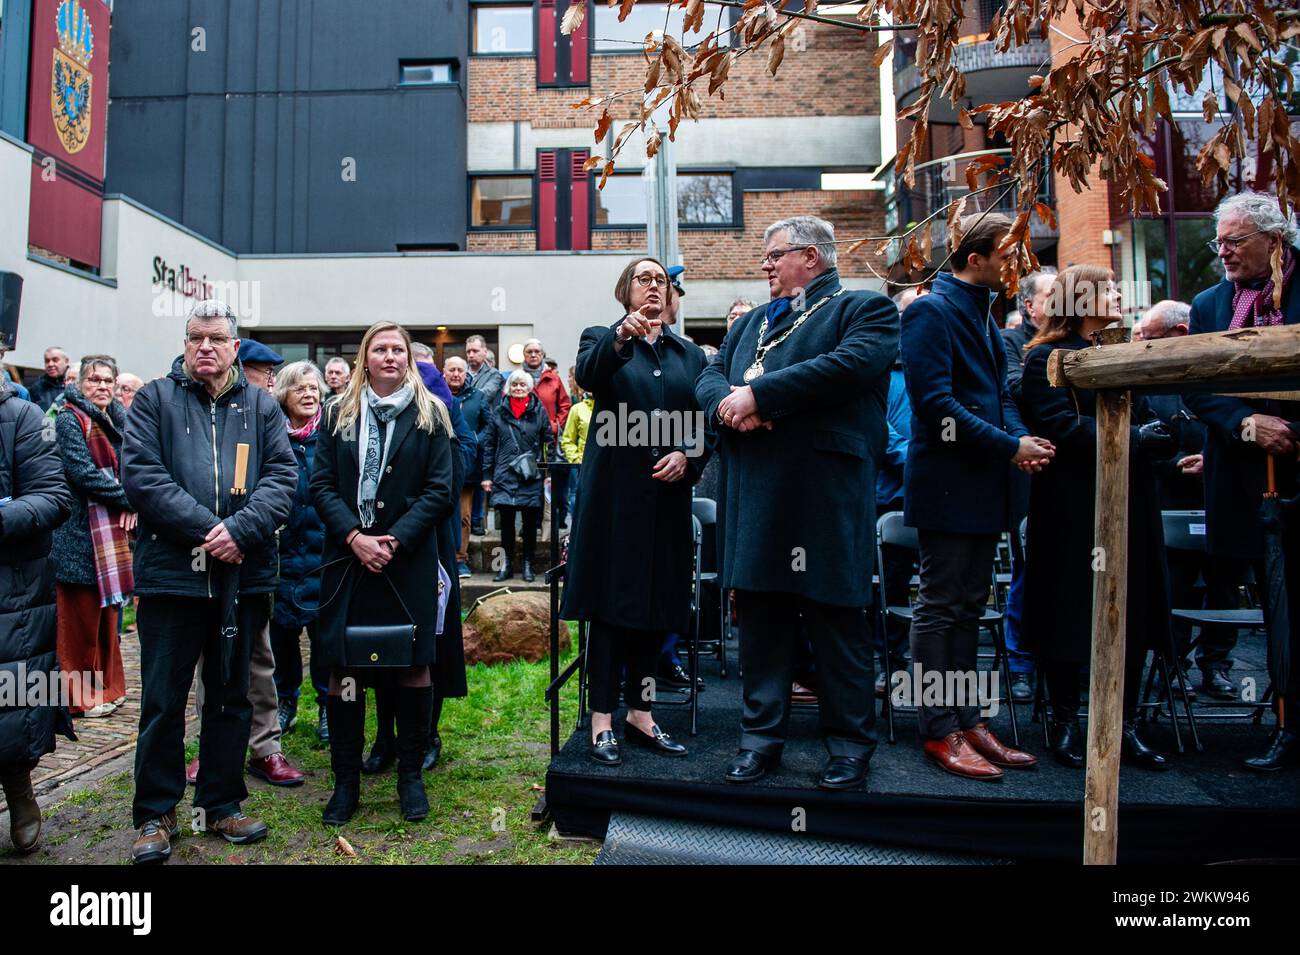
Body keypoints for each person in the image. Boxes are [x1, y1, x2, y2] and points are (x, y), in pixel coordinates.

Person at [696, 215, 898, 790]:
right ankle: (760, 740)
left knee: (838, 621)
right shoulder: (750, 324)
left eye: (774, 255)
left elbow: (848, 367)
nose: (765, 265)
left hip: (824, 493)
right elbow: (710, 375)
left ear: (811, 256)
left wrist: (760, 395)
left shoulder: (862, 309)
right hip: (756, 491)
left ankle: (850, 745)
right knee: (760, 621)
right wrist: (727, 405)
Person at [122, 299, 297, 863]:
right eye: (195, 337)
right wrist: (208, 530)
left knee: (230, 696)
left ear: (235, 347)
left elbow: (281, 477)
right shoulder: (154, 400)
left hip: (241, 579)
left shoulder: (261, 408)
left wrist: (239, 532)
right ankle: (155, 813)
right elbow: (143, 478)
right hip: (172, 577)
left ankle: (221, 804)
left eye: (216, 338)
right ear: (185, 342)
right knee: (163, 700)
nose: (205, 347)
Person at [899, 212, 1049, 782]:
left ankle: (968, 718)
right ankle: (939, 730)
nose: (1020, 265)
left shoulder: (982, 310)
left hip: (985, 483)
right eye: (1010, 254)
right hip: (947, 484)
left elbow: (1000, 394)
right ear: (976, 257)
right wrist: (1009, 446)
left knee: (967, 607)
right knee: (939, 608)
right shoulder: (931, 311)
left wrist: (1018, 442)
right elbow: (935, 404)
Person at [1020, 265, 1173, 770]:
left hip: (1131, 497)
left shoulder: (1120, 352)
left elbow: (1148, 415)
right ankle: (1064, 721)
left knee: (1131, 607)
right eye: (1107, 288)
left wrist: (1161, 443)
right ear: (1079, 298)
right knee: (1069, 606)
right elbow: (1060, 426)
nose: (1116, 294)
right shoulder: (1045, 358)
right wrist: (1134, 440)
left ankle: (1122, 725)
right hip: (1072, 503)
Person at [310, 321, 457, 824]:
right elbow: (322, 485)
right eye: (381, 349)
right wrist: (355, 537)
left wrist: (393, 540)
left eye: (398, 349)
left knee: (413, 665)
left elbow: (441, 490)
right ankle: (345, 782)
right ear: (365, 359)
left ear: (409, 359)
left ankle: (410, 777)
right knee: (343, 671)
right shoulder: (336, 414)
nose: (390, 356)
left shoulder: (431, 414)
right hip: (347, 559)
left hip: (407, 559)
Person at [563, 256, 708, 765]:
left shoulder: (689, 355)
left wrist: (689, 455)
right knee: (610, 611)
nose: (653, 286)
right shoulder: (599, 339)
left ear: (670, 296)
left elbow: (704, 420)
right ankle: (601, 719)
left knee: (655, 608)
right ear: (625, 291)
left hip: (667, 502)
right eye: (643, 278)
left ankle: (640, 714)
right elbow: (588, 375)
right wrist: (621, 336)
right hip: (614, 501)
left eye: (661, 281)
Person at [1185, 191, 1300, 771]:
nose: (1224, 252)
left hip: (1297, 465)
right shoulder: (1209, 304)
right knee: (1271, 603)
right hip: (1240, 479)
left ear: (1274, 241)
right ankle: (1286, 724)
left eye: (1236, 241)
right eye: (1219, 242)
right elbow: (1194, 384)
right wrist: (1245, 422)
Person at [187, 339, 305, 789]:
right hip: (202, 556)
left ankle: (265, 748)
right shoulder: (202, 413)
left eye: (273, 374)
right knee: (208, 659)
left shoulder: (264, 418)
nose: (270, 381)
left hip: (252, 559)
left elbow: (278, 483)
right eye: (262, 373)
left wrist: (241, 532)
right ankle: (211, 749)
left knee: (257, 657)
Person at [0, 377, 74, 853]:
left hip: (12, 589)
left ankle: (18, 787)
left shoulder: (24, 418)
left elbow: (53, 496)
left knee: (10, 701)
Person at [50, 355, 133, 719]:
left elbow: (135, 466)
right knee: (78, 624)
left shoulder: (119, 420)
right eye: (94, 380)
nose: (101, 386)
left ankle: (108, 690)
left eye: (107, 381)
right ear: (80, 384)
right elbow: (83, 474)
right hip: (78, 536)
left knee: (107, 621)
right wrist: (132, 499)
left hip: (109, 538)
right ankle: (79, 697)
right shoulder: (70, 419)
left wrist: (132, 500)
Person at [1135, 300, 1208, 698]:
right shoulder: (1149, 382)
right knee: (1173, 588)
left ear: (1179, 335)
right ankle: (1171, 664)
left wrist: (1212, 460)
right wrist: (1176, 462)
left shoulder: (1206, 375)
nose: (1141, 343)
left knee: (1220, 586)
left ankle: (1216, 665)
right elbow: (1148, 438)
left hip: (1215, 494)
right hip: (1167, 498)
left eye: (1149, 337)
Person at [1002, 267, 1056, 703]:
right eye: (1051, 295)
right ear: (1030, 306)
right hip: (1028, 469)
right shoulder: (1011, 344)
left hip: (1068, 467)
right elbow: (1013, 388)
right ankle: (1020, 662)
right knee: (1027, 568)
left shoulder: (1084, 344)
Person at [268, 361, 330, 741]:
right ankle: (285, 700)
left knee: (324, 640)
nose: (308, 395)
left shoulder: (333, 435)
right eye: (299, 389)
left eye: (313, 389)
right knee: (282, 637)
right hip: (283, 557)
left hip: (325, 554)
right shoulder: (273, 436)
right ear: (284, 396)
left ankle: (328, 705)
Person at [481, 370, 554, 582]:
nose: (518, 388)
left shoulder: (538, 411)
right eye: (515, 385)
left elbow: (548, 443)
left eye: (522, 385)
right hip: (504, 474)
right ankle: (506, 565)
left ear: (530, 388)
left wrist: (546, 472)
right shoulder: (499, 412)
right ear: (509, 388)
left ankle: (528, 565)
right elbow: (489, 445)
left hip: (530, 475)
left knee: (530, 524)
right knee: (507, 525)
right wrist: (487, 475)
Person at [444, 356, 485, 578]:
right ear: (444, 372)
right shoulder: (437, 397)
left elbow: (489, 424)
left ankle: (460, 558)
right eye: (452, 370)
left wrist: (474, 440)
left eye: (460, 370)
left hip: (466, 468)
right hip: (441, 470)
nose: (456, 374)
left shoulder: (477, 397)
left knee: (464, 516)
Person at [30, 347, 71, 411]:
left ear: (66, 361)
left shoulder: (76, 385)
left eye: (55, 360)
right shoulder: (36, 388)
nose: (50, 364)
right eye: (47, 361)